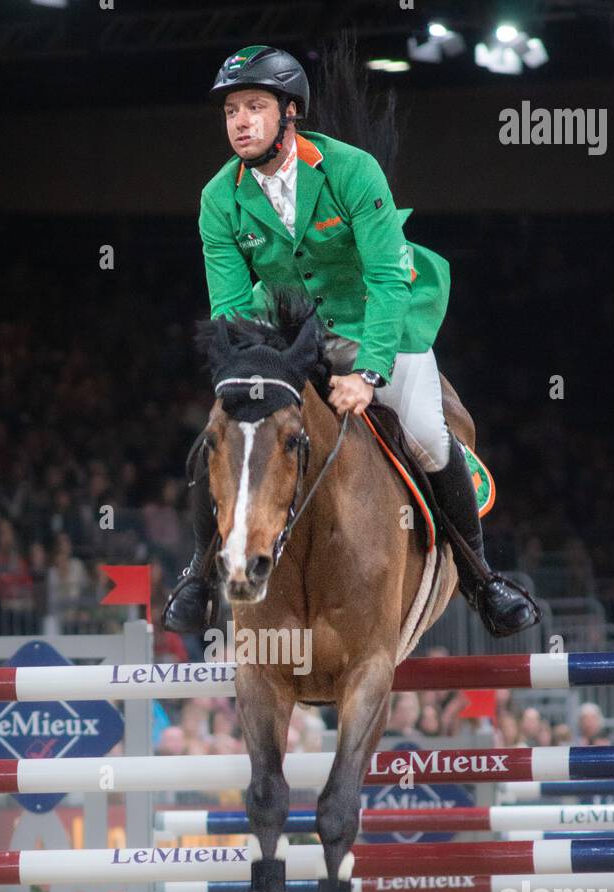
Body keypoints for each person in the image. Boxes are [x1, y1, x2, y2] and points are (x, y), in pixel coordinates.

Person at [164, 44, 538, 639]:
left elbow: (388, 278)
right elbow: (231, 310)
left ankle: (481, 578)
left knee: (427, 437)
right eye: (232, 110)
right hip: (289, 328)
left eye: (254, 107)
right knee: (226, 432)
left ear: (290, 112)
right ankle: (198, 575)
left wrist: (368, 374)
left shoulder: (351, 170)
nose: (239, 121)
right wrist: (246, 377)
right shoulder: (218, 197)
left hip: (377, 315)